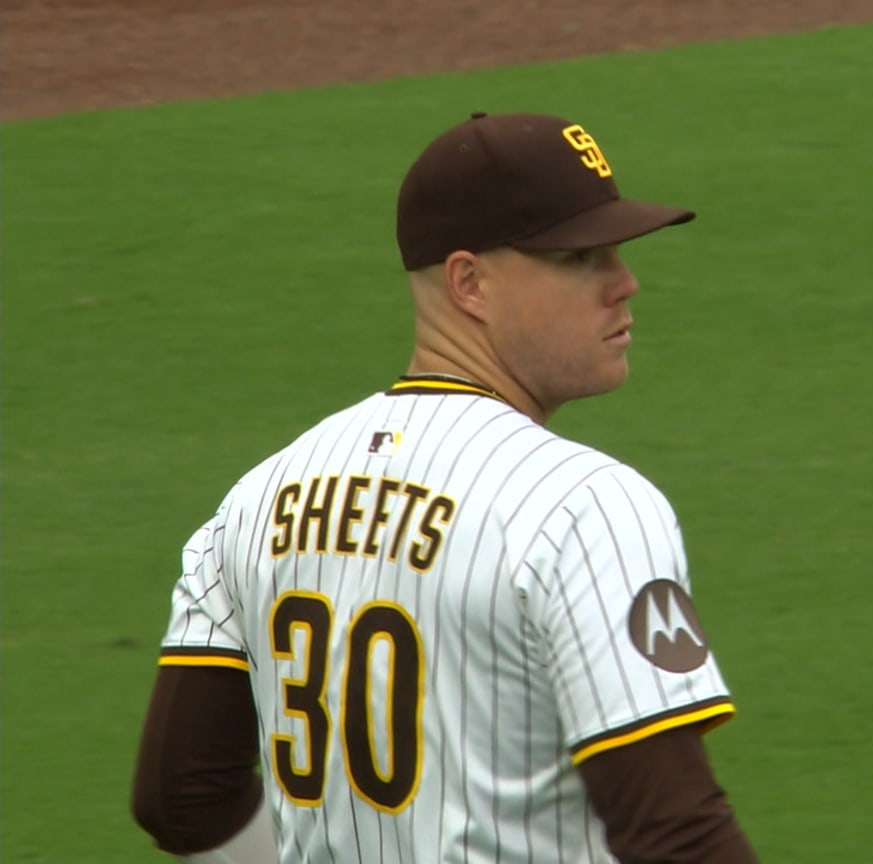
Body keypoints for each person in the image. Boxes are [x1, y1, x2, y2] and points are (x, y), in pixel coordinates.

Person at [131, 111, 758, 864]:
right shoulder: (585, 506)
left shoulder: (255, 502)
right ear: (470, 282)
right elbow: (675, 832)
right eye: (581, 255)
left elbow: (182, 797)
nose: (625, 283)